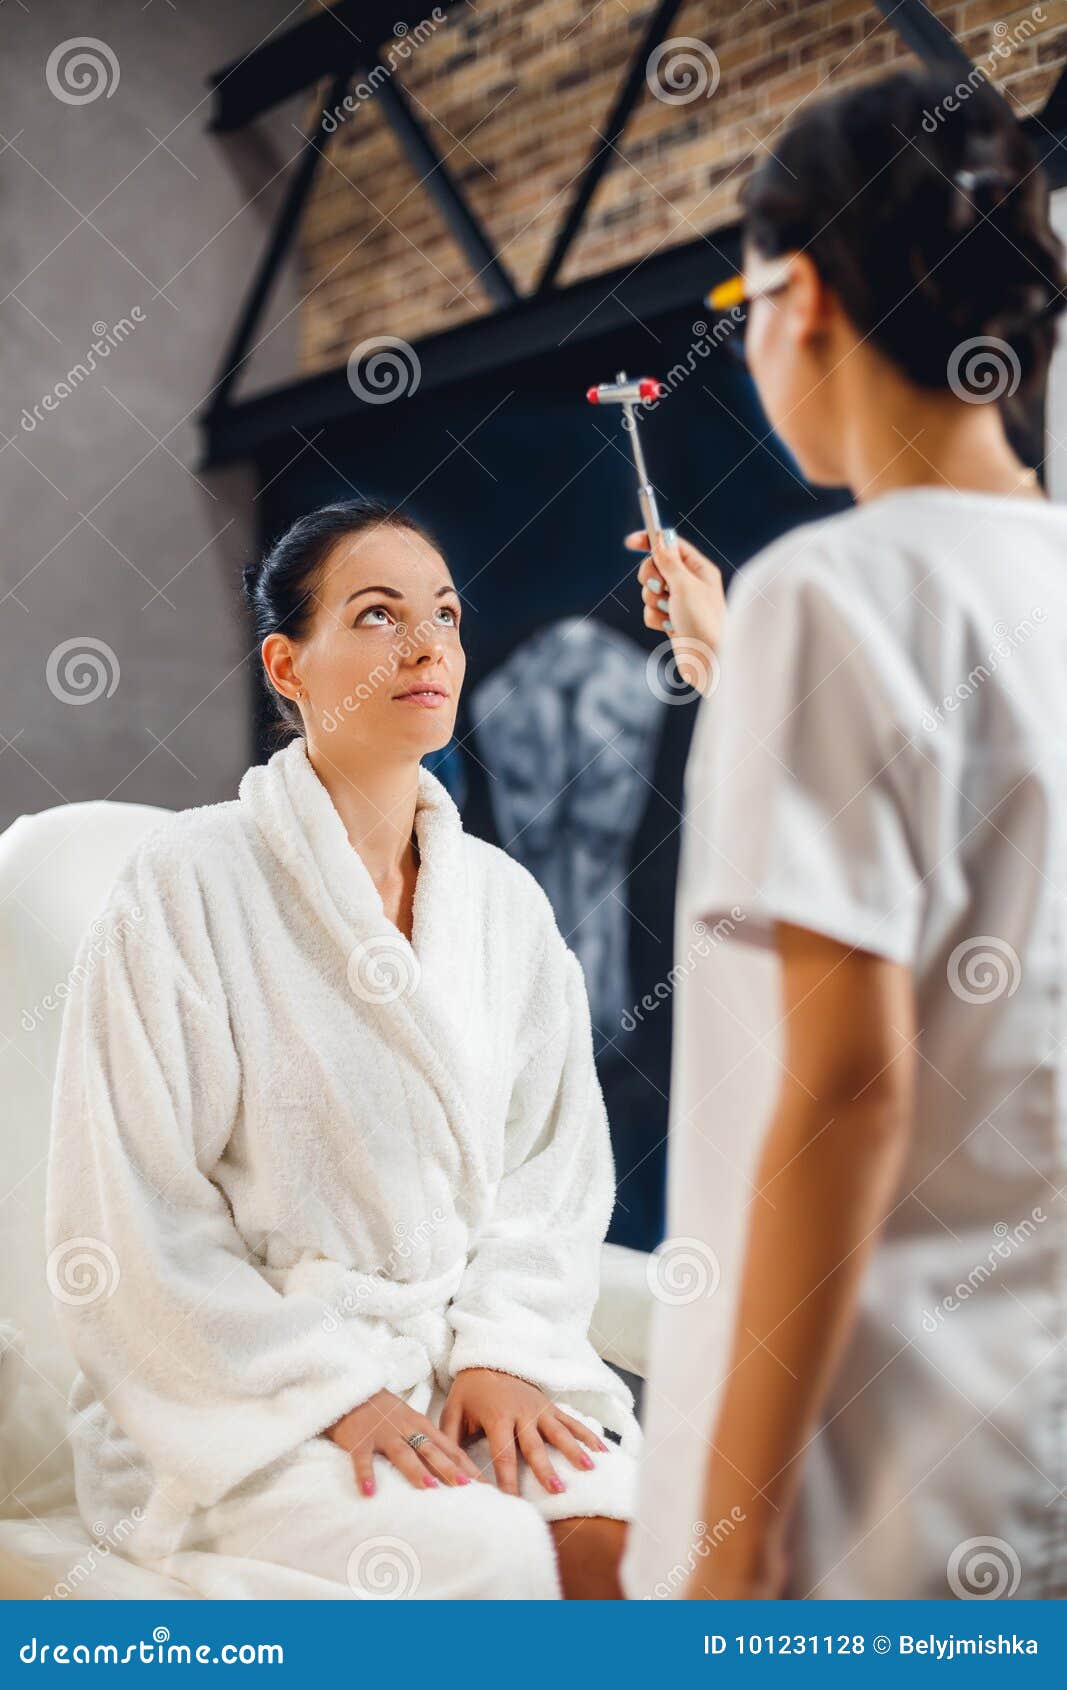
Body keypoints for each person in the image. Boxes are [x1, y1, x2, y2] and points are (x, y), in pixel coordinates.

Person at [621, 67, 1067, 1600]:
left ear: (797, 294)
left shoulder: (833, 594)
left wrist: (729, 1524)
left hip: (867, 1479)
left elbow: (850, 1084)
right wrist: (743, 664)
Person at [45, 499, 639, 1601]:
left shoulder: (501, 906)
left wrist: (502, 1348)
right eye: (377, 616)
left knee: (621, 1541)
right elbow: (129, 1211)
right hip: (243, 1396)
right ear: (289, 664)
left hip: (463, 1359)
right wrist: (324, 1392)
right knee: (496, 1554)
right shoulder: (184, 885)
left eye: (445, 615)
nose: (427, 647)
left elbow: (550, 1170)